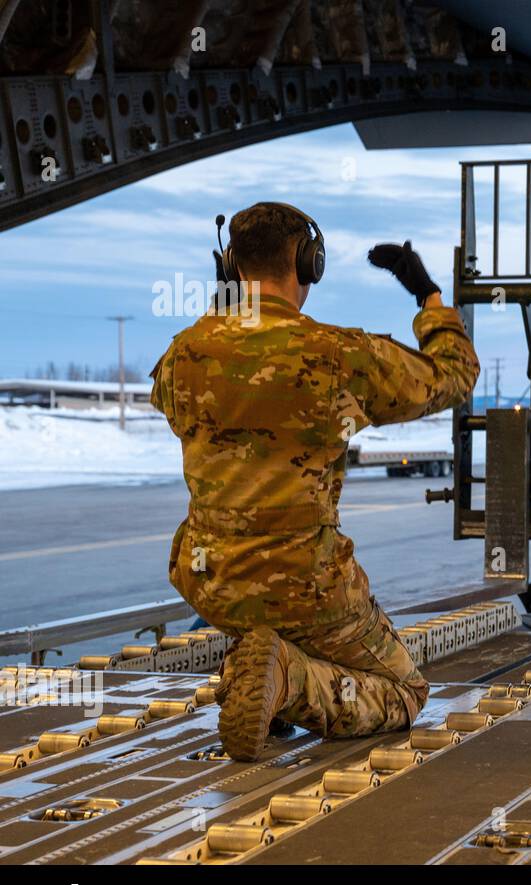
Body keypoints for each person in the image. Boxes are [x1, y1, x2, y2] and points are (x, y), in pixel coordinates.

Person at [150, 201, 479, 760]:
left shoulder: (184, 353)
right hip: (308, 587)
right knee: (404, 691)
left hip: (214, 582)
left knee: (261, 608)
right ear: (309, 264)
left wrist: (228, 311)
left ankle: (263, 668)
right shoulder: (337, 354)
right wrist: (428, 297)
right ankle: (288, 680)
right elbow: (455, 376)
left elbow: (175, 397)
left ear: (231, 267)